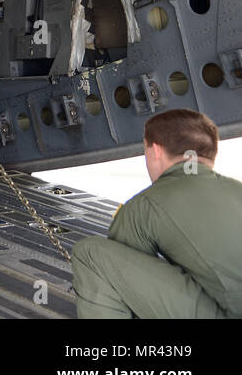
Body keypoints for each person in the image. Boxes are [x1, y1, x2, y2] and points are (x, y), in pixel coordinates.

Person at [71, 108, 242, 318]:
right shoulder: (237, 189)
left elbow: (122, 286)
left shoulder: (144, 205)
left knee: (90, 255)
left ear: (156, 151)